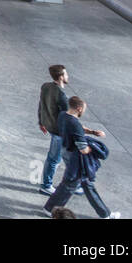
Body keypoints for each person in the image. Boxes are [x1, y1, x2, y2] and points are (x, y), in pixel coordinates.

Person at [43, 96, 119, 219]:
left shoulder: (63, 115)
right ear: (79, 108)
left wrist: (92, 132)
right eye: (83, 109)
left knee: (85, 183)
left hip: (65, 150)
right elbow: (83, 149)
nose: (83, 111)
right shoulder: (75, 123)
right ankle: (50, 208)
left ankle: (105, 214)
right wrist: (93, 147)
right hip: (75, 157)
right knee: (69, 184)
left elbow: (78, 128)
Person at [37, 64, 77, 195]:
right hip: (59, 132)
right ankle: (46, 185)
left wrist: (41, 121)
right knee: (54, 159)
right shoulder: (62, 96)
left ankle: (73, 183)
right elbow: (67, 118)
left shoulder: (46, 86)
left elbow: (41, 104)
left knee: (58, 158)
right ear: (61, 77)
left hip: (50, 126)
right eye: (66, 74)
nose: (67, 76)